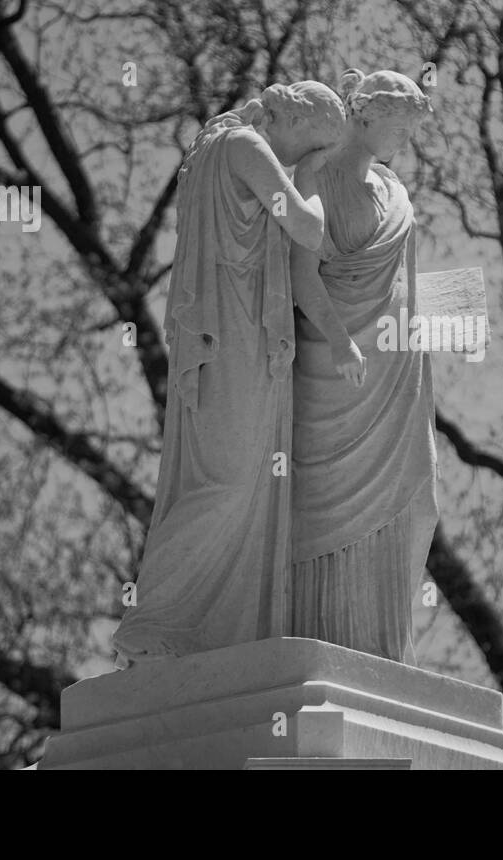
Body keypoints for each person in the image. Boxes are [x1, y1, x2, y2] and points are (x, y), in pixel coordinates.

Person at [113, 82, 345, 667]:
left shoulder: (219, 147)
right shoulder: (243, 145)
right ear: (289, 117)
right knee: (228, 481)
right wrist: (314, 178)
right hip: (233, 340)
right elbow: (307, 228)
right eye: (307, 146)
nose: (299, 160)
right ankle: (154, 619)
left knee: (235, 481)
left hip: (242, 338)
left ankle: (207, 628)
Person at [289, 68, 439, 664]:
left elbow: (407, 285)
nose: (404, 138)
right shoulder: (314, 176)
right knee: (325, 510)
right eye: (399, 124)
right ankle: (325, 646)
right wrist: (341, 342)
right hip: (335, 377)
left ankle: (383, 648)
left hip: (396, 379)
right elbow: (303, 277)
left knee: (416, 498)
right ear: (364, 114)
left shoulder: (394, 191)